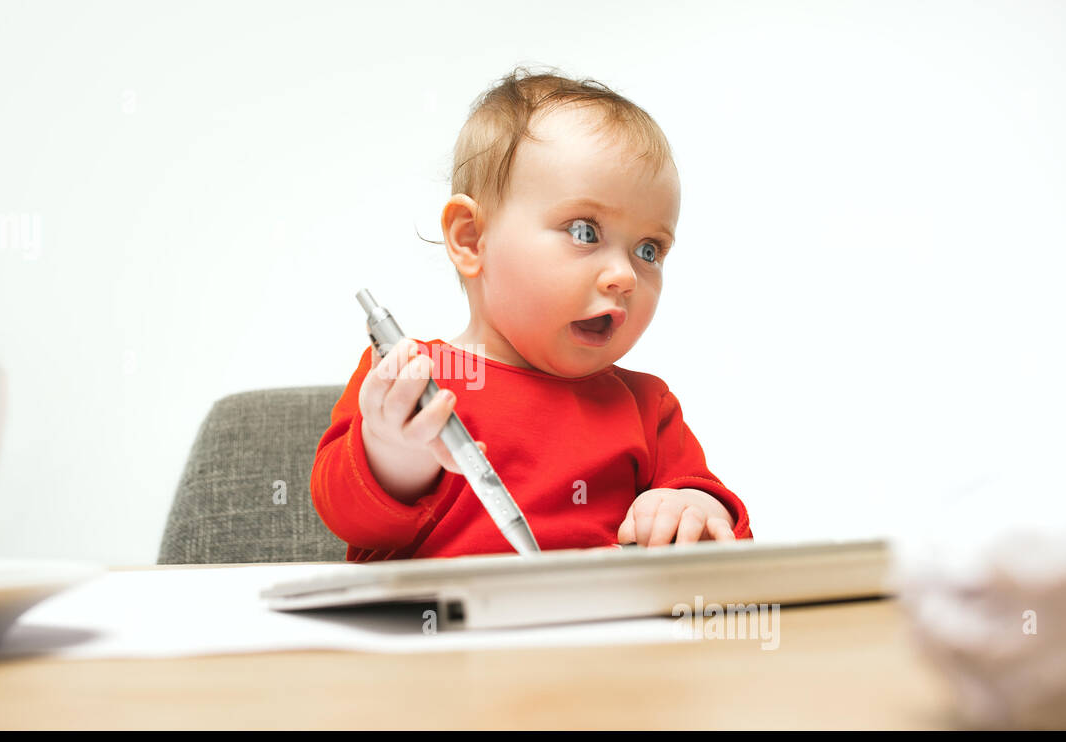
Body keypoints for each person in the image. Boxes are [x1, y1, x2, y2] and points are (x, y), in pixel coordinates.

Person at [311, 66, 752, 562]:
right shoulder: (414, 380)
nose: (625, 276)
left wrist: (691, 505)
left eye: (649, 250)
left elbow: (725, 541)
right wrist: (395, 453)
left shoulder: (648, 406)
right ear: (472, 239)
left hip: (606, 633)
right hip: (447, 633)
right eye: (585, 231)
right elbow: (349, 517)